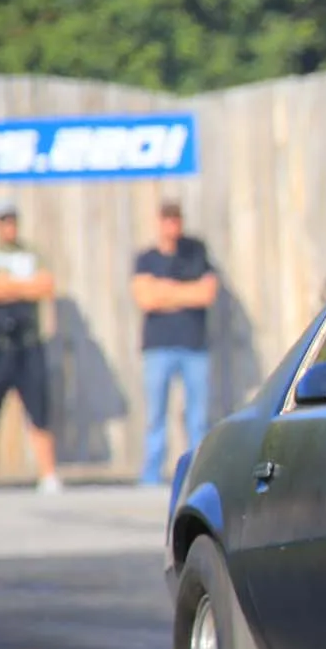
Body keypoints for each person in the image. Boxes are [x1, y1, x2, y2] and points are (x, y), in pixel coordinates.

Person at [0, 199, 59, 495]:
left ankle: (48, 474)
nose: (9, 227)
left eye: (12, 220)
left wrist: (6, 285)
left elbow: (45, 286)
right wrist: (22, 287)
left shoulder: (31, 253)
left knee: (38, 409)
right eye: (3, 221)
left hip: (28, 342)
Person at [131, 198, 219, 486]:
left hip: (193, 345)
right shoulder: (147, 259)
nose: (172, 226)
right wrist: (185, 293)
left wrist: (166, 291)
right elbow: (145, 298)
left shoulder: (196, 252)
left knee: (197, 416)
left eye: (176, 219)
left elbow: (206, 294)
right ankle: (152, 474)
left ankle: (198, 471)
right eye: (167, 219)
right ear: (159, 223)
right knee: (156, 415)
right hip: (158, 347)